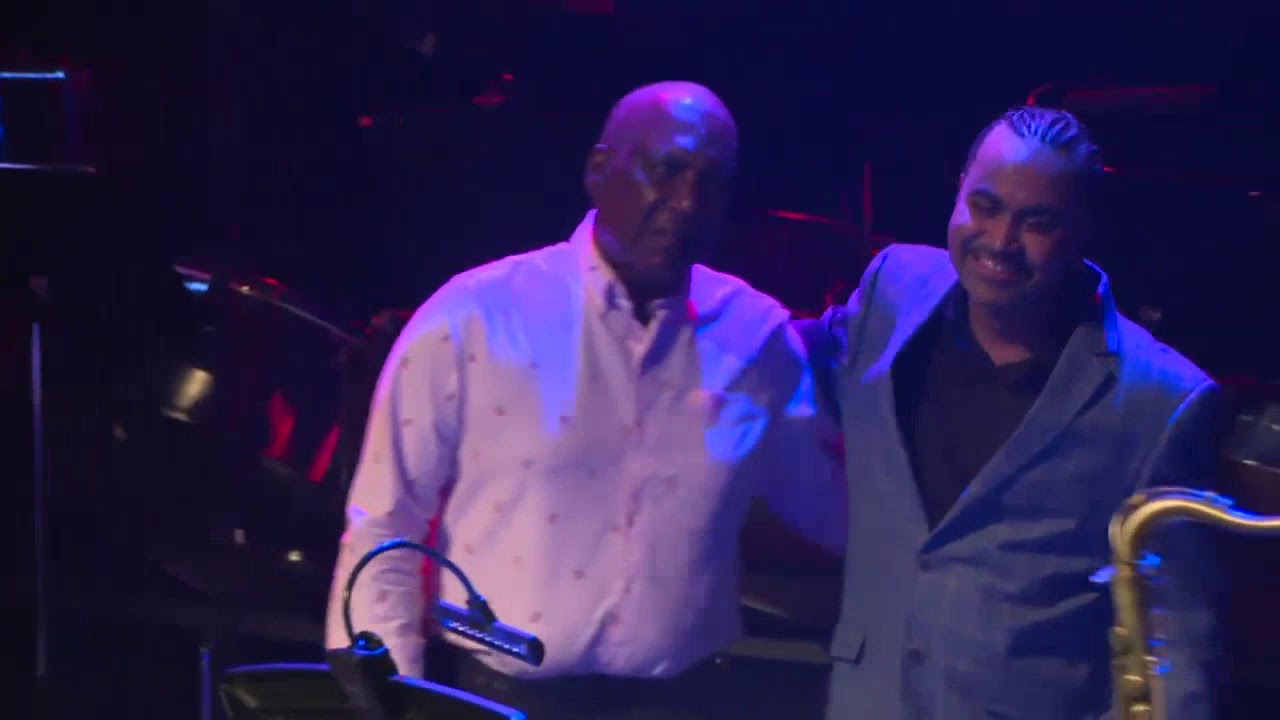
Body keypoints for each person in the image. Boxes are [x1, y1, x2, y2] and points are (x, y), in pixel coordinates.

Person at [324, 81, 845, 719]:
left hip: (683, 701)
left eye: (712, 183)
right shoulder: (476, 316)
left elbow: (834, 511)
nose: (688, 202)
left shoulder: (756, 338)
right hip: (497, 697)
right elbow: (385, 525)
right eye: (668, 170)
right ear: (599, 170)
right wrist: (389, 703)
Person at [810, 106, 1222, 719]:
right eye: (985, 206)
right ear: (958, 192)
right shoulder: (891, 288)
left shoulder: (1163, 400)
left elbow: (1175, 649)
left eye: (1037, 222)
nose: (1001, 241)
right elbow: (778, 362)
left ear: (1083, 230)